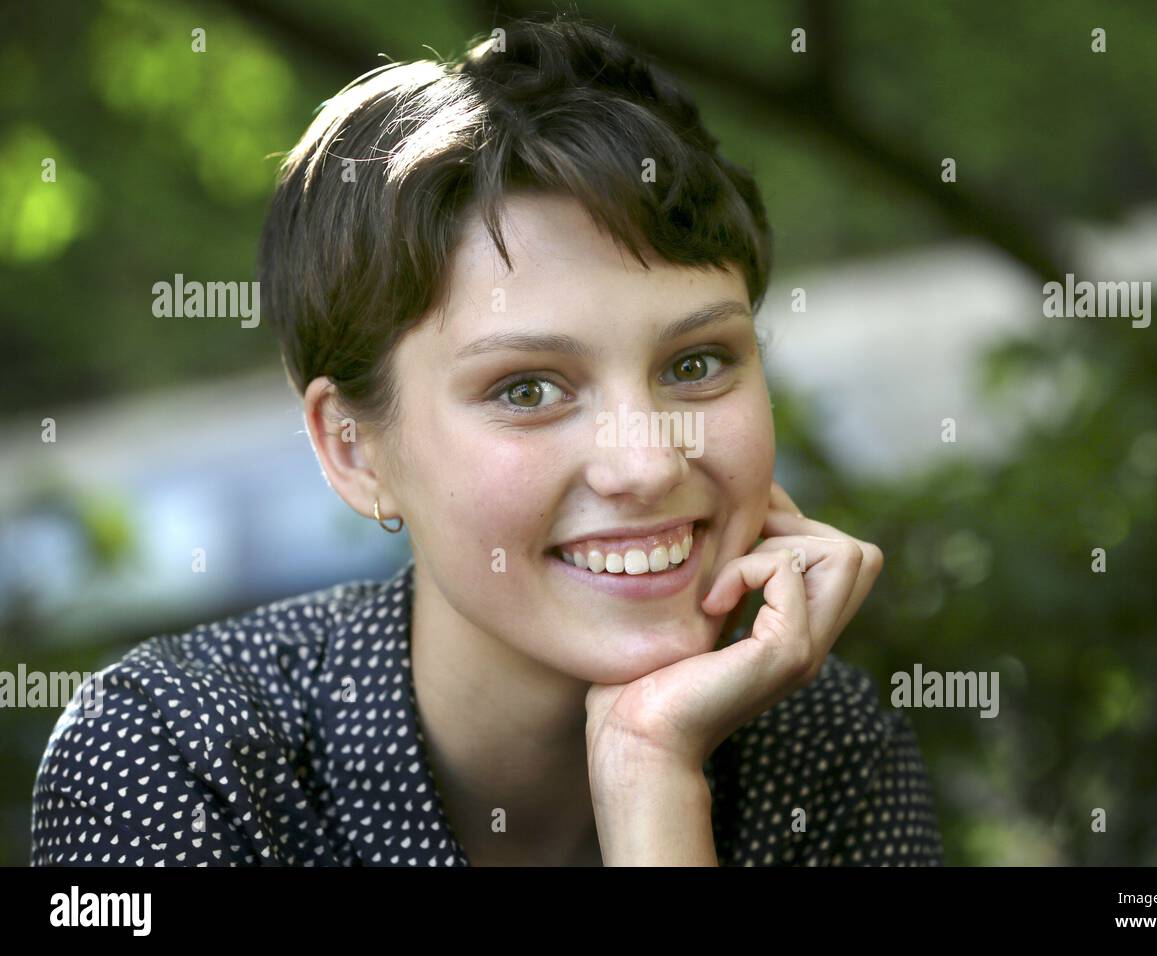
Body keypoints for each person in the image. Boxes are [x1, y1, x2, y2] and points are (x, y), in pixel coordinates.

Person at [31, 13, 942, 866]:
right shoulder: (175, 751)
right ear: (354, 450)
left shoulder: (821, 743)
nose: (646, 463)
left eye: (695, 364)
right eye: (528, 389)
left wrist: (650, 770)